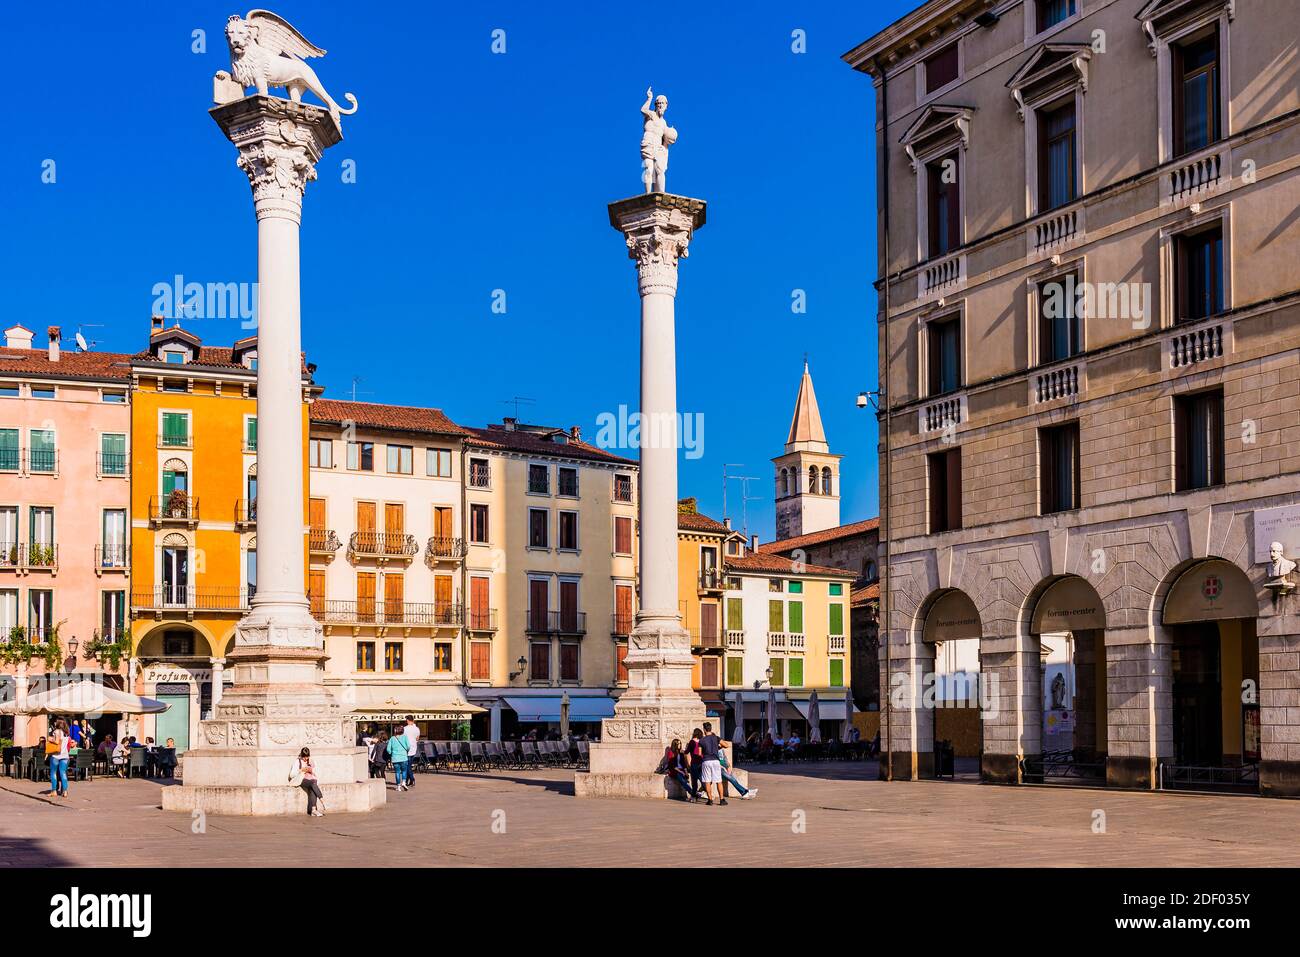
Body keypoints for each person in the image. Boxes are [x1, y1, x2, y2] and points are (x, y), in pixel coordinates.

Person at [697, 721, 728, 806]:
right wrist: (717, 747)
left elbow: (699, 754)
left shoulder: (701, 740)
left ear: (704, 729)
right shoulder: (716, 738)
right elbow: (726, 745)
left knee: (707, 781)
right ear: (710, 728)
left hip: (706, 761)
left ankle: (710, 800)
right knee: (718, 781)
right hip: (715, 761)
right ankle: (722, 800)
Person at [295, 747, 325, 817]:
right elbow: (292, 774)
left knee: (313, 786)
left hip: (311, 780)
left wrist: (310, 770)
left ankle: (313, 811)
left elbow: (316, 772)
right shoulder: (297, 761)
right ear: (301, 756)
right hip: (301, 780)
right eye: (304, 757)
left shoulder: (311, 761)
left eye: (307, 757)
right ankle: (322, 800)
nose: (306, 758)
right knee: (312, 783)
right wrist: (302, 770)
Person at [48, 719, 71, 798]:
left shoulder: (57, 731)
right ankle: (65, 791)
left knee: (53, 773)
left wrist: (50, 739)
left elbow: (57, 741)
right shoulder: (66, 733)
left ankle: (54, 791)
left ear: (57, 724)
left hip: (56, 755)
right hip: (65, 756)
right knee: (63, 773)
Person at [401, 716, 420, 788]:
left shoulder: (405, 729)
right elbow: (417, 738)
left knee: (407, 766)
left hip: (406, 749)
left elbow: (402, 738)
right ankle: (408, 780)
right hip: (414, 748)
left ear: (408, 720)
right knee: (409, 764)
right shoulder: (417, 729)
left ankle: (412, 779)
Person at [685, 729, 704, 800]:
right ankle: (703, 792)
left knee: (694, 781)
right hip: (702, 762)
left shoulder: (692, 742)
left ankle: (693, 797)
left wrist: (683, 751)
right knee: (704, 780)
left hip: (694, 763)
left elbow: (687, 752)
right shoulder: (702, 741)